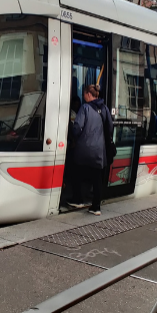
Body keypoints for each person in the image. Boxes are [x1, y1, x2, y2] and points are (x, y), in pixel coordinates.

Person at [67, 84, 114, 216]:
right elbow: (110, 128)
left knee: (76, 172)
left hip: (84, 148)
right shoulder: (104, 108)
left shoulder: (85, 108)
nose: (83, 96)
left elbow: (77, 128)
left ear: (88, 94)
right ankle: (96, 207)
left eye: (84, 94)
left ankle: (78, 199)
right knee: (97, 177)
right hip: (100, 150)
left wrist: (74, 137)